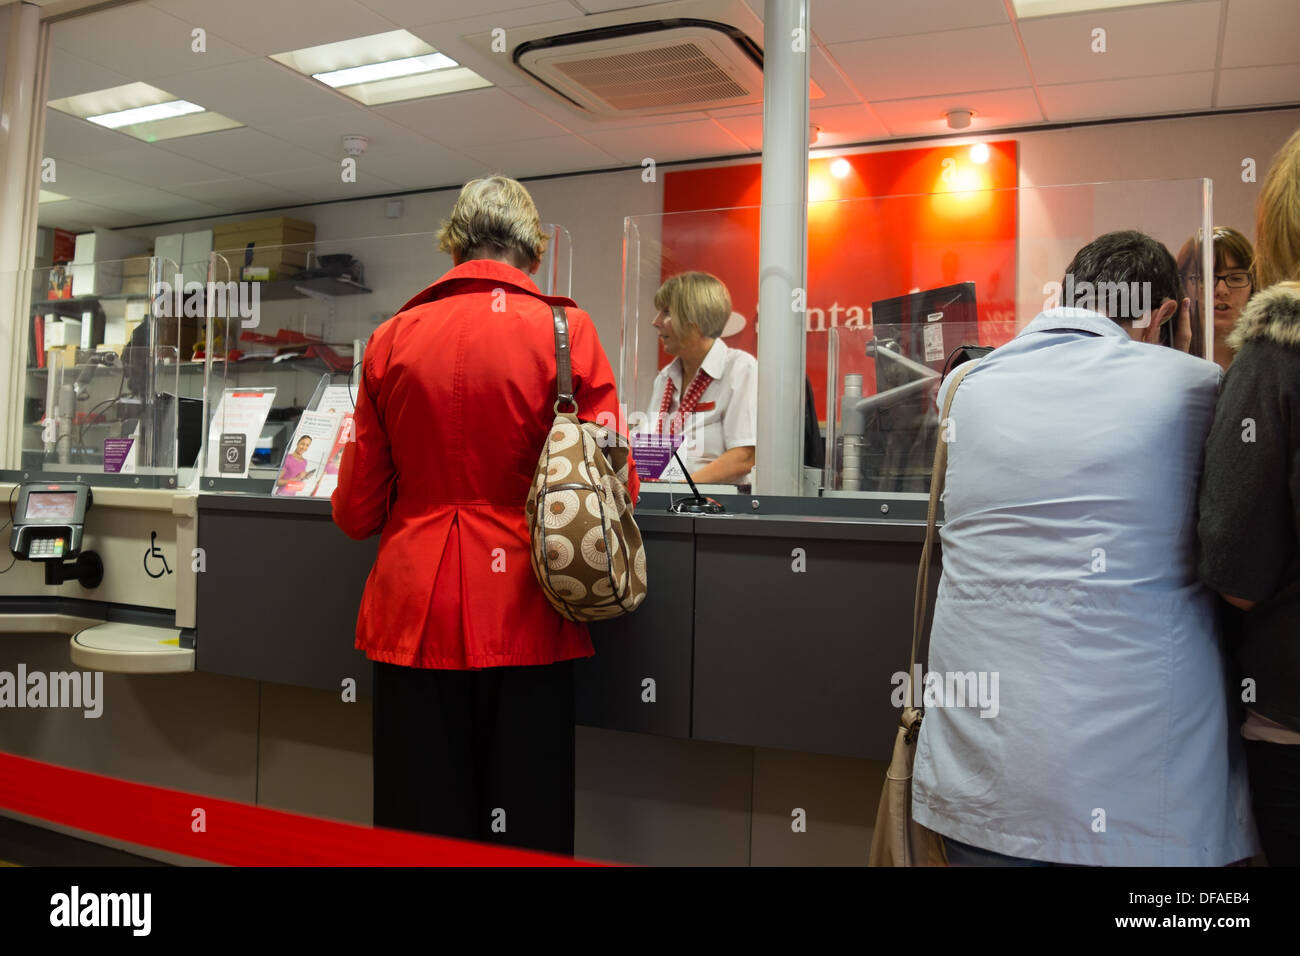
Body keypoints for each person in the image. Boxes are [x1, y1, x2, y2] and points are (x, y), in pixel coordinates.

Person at [911, 230, 1257, 866]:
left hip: (981, 784)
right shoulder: (1197, 386)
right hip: (1139, 799)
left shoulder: (969, 384)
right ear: (1166, 313)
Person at [331, 175, 635, 856]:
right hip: (532, 609)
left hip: (412, 614)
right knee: (528, 826)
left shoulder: (389, 339)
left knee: (419, 827)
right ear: (532, 250)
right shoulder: (567, 331)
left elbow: (354, 511)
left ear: (454, 244)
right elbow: (621, 488)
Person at [1198, 127, 1300, 866]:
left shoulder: (1272, 357)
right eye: (1208, 277)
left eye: (1238, 275)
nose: (1225, 290)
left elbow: (1236, 566)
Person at [644, 272, 757, 486]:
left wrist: (680, 489)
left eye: (666, 312)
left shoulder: (740, 369)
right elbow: (650, 447)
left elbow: (744, 456)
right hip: (668, 504)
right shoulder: (665, 378)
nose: (655, 322)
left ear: (694, 319)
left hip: (718, 510)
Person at [1176, 226, 1256, 369]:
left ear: (1254, 287)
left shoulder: (1269, 362)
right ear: (1182, 286)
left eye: (1236, 278)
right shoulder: (1167, 356)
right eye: (1206, 279)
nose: (1221, 290)